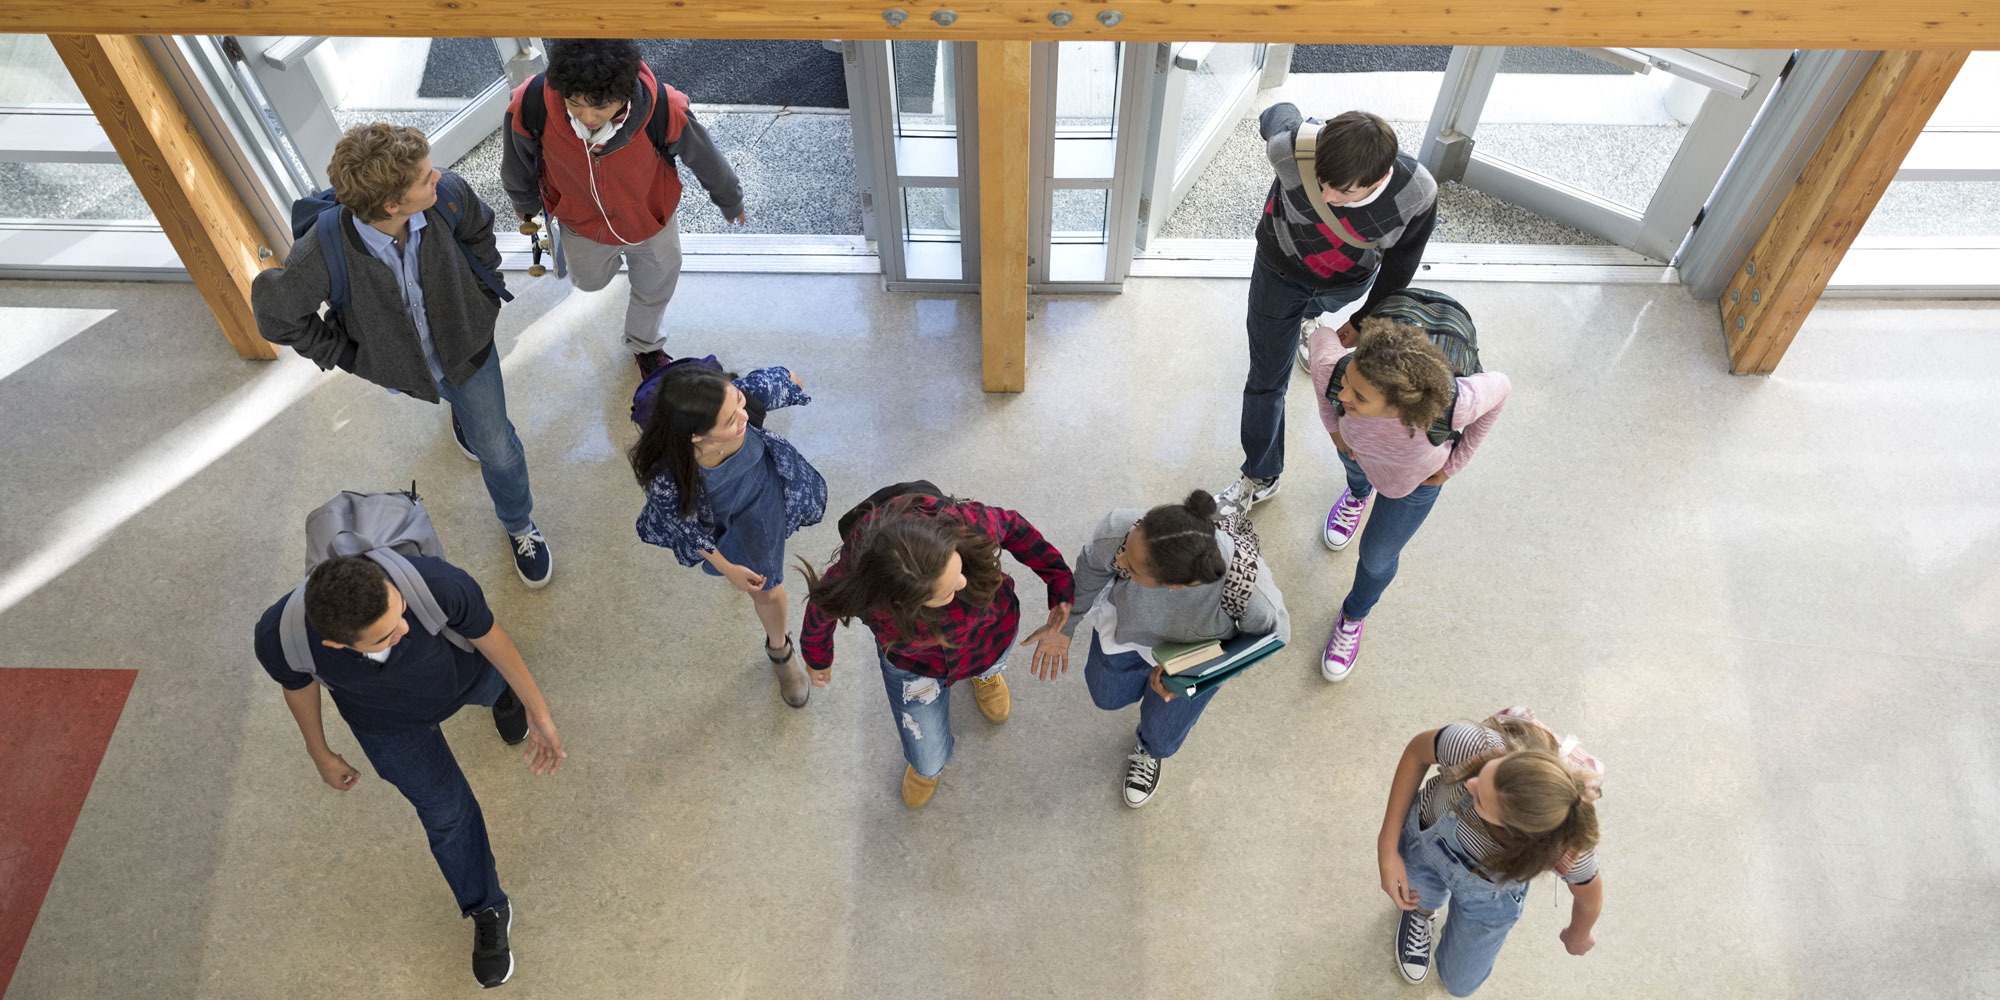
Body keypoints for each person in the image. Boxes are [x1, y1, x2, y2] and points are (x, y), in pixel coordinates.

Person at [252, 123, 552, 588]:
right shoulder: (321, 254)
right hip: (405, 367)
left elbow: (478, 228)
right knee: (459, 401)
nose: (439, 177)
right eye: (425, 178)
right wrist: (345, 353)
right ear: (391, 205)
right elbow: (277, 314)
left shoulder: (447, 194)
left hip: (468, 347)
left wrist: (485, 289)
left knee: (496, 446)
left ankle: (518, 524)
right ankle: (460, 410)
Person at [253, 554, 565, 989]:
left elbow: (491, 637)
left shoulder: (439, 585)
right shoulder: (281, 638)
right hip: (389, 728)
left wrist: (537, 709)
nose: (404, 627)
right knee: (447, 814)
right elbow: (297, 683)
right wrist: (319, 752)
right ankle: (486, 907)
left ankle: (503, 698)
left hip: (462, 677)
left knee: (495, 684)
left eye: (398, 609)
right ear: (336, 645)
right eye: (385, 636)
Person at [1217, 106, 1440, 517]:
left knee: (1316, 309)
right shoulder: (1289, 149)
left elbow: (1400, 266)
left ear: (1379, 179)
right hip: (1278, 273)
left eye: (1342, 192)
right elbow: (1277, 112)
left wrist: (1363, 320)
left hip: (1346, 283)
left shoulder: (1416, 192)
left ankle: (1307, 319)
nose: (1326, 197)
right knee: (1266, 381)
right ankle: (1261, 475)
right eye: (1320, 182)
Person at [798, 488, 1074, 809]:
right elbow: (823, 606)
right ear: (901, 602)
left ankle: (986, 674)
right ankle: (927, 769)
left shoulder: (964, 524)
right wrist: (817, 657)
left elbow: (1014, 527)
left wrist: (1060, 586)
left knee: (993, 660)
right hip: (916, 666)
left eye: (958, 569)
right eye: (947, 591)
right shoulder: (860, 581)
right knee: (927, 757)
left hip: (989, 634)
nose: (963, 583)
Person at [501, 38, 746, 377]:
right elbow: (516, 162)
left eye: (600, 107)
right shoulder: (530, 105)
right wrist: (525, 204)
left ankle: (646, 346)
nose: (587, 117)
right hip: (581, 222)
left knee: (655, 284)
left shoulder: (665, 108)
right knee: (589, 282)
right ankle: (606, 262)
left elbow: (706, 158)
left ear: (625, 94)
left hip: (650, 218)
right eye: (574, 104)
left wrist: (730, 200)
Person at [1308, 317, 1509, 680]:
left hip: (1415, 484)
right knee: (1357, 477)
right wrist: (1335, 429)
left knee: (1377, 558)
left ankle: (1353, 615)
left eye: (1360, 396)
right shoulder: (1337, 372)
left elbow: (1502, 388)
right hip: (1357, 453)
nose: (1344, 395)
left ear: (1399, 404)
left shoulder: (1454, 403)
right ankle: (1357, 496)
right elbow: (1321, 340)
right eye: (1348, 382)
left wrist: (1453, 466)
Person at [1061, 491, 1289, 807]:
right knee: (1106, 695)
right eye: (1126, 551)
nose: (1120, 561)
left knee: (1162, 731)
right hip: (1128, 631)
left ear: (1175, 586)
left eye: (1132, 568)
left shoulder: (1250, 592)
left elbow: (1269, 640)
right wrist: (1066, 624)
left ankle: (1148, 751)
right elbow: (1093, 566)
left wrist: (1193, 675)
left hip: (1191, 658)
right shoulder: (1122, 532)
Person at [632, 359, 824, 707]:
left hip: (759, 500)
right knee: (739, 568)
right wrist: (727, 567)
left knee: (767, 587)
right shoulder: (666, 476)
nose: (744, 416)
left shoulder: (741, 397)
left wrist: (788, 382)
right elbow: (686, 529)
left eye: (738, 400)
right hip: (708, 517)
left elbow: (788, 377)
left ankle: (780, 650)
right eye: (731, 421)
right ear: (696, 436)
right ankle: (736, 565)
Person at [1375, 714, 1604, 995]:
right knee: (1418, 894)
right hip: (1423, 848)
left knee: (1459, 983)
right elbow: (1415, 753)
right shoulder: (1474, 744)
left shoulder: (1563, 846)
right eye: (1486, 772)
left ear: (1518, 833)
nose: (1469, 784)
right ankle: (1422, 912)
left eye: (1480, 800)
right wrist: (1387, 845)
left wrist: (1578, 933)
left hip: (1488, 899)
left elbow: (1590, 895)